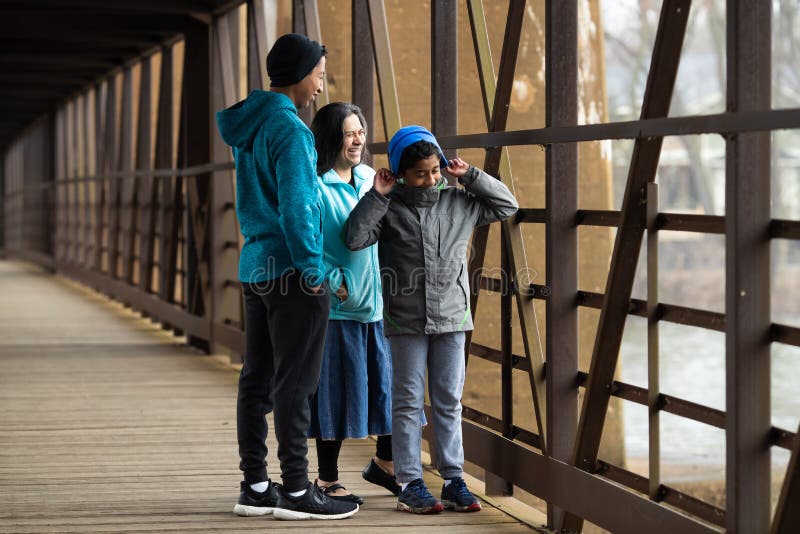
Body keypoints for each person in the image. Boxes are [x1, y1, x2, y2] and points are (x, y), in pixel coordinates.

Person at [215, 33, 358, 521]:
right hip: (293, 273)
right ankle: (298, 491)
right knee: (296, 382)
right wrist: (315, 272)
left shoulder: (251, 125)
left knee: (256, 377)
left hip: (257, 267)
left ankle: (256, 485)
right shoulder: (291, 130)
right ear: (299, 75)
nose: (321, 86)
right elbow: (298, 209)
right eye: (318, 75)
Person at [344, 125, 518, 514]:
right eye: (421, 173)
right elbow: (354, 238)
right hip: (406, 320)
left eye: (435, 170)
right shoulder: (388, 208)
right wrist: (376, 195)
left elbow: (507, 205)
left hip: (453, 317)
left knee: (448, 400)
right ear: (400, 172)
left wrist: (470, 176)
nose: (431, 178)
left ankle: (454, 480)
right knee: (407, 402)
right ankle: (409, 481)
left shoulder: (459, 201)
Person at [307, 102, 399, 504]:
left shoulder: (370, 179)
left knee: (388, 390)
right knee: (335, 394)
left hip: (377, 308)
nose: (357, 139)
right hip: (339, 310)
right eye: (348, 132)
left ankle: (385, 464)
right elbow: (306, 245)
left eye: (360, 130)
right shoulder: (315, 186)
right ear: (331, 138)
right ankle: (327, 480)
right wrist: (331, 281)